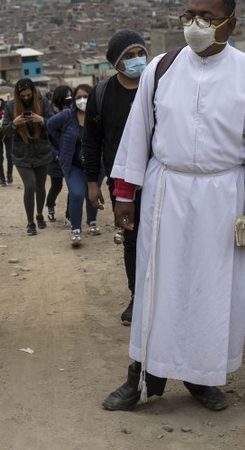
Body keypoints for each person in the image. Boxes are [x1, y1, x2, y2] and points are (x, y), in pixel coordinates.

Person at [101, 0, 245, 412]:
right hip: (165, 191)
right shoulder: (161, 67)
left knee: (212, 289)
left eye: (206, 18)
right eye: (189, 15)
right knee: (157, 285)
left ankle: (201, 377)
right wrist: (124, 192)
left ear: (230, 22)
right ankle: (139, 376)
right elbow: (139, 132)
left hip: (223, 197)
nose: (195, 25)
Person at [82, 29, 149, 325]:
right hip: (121, 183)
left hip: (160, 176)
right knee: (133, 238)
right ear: (116, 63)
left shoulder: (156, 86)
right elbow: (92, 140)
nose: (137, 61)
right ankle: (138, 297)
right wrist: (92, 182)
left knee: (163, 237)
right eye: (129, 57)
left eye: (140, 54)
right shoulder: (102, 93)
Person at [0, 78, 54, 235]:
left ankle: (39, 214)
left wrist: (41, 120)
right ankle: (30, 222)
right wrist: (15, 123)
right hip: (21, 153)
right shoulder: (10, 106)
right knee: (30, 186)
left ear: (33, 92)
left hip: (41, 151)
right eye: (22, 96)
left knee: (40, 186)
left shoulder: (43, 102)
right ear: (18, 95)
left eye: (28, 95)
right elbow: (5, 131)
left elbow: (53, 123)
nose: (26, 98)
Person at [48, 83, 98, 247]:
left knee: (93, 193)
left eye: (86, 97)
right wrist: (61, 144)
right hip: (73, 164)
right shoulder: (67, 116)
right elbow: (50, 126)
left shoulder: (98, 115)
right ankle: (76, 229)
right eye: (78, 97)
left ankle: (92, 221)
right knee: (77, 194)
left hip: (95, 164)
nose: (82, 100)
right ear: (73, 100)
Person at [46, 85, 73, 225]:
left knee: (73, 188)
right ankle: (50, 206)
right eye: (67, 95)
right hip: (56, 159)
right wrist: (55, 154)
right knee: (57, 187)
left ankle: (70, 214)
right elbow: (48, 139)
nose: (70, 98)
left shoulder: (74, 113)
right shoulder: (51, 115)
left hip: (71, 157)